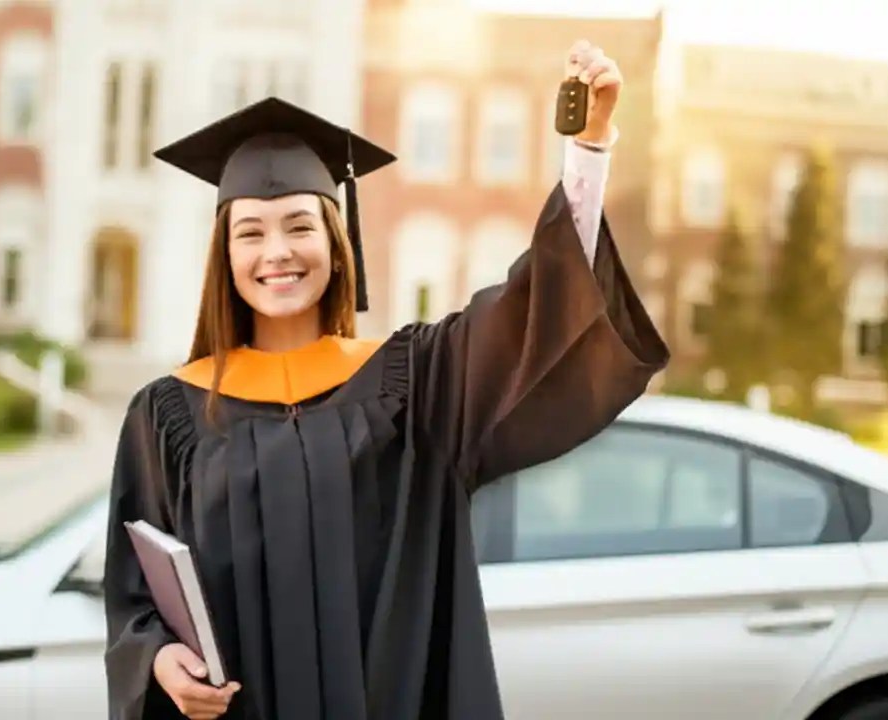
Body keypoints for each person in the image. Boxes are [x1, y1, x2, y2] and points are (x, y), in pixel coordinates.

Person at [103, 40, 669, 720]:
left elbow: (538, 311)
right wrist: (161, 660)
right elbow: (135, 595)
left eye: (299, 226)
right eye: (249, 233)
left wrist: (589, 148)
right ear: (223, 257)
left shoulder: (412, 386)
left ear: (336, 247)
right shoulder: (169, 415)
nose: (276, 252)